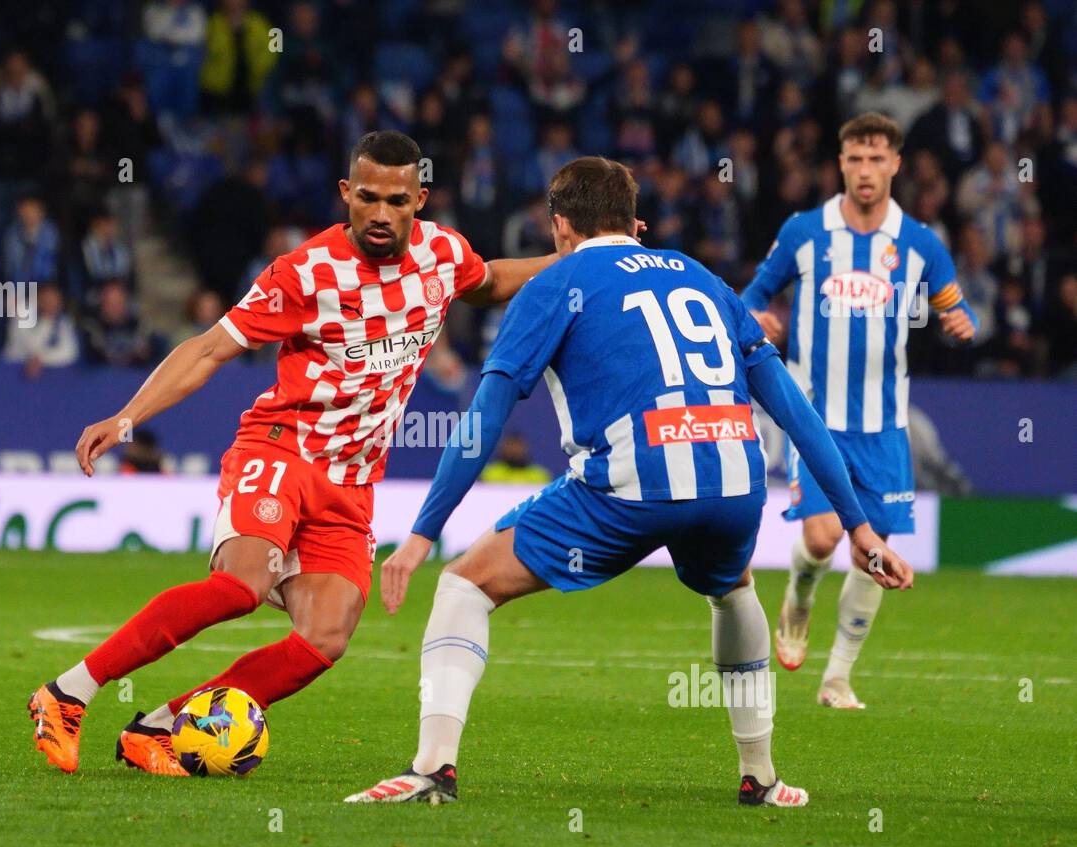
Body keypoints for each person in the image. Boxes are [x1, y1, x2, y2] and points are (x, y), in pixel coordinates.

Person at [346, 157, 912, 807]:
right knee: (733, 590)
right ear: (631, 221)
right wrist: (861, 529)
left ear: (560, 226)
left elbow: (484, 421)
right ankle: (761, 775)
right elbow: (798, 415)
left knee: (463, 585)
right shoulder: (702, 278)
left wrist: (423, 532)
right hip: (734, 485)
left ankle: (431, 772)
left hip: (628, 489)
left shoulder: (557, 283)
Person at [27, 131, 566, 775]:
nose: (380, 212)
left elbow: (495, 279)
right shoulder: (305, 272)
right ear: (346, 193)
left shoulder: (444, 257)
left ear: (419, 200)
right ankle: (68, 692)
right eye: (367, 196)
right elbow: (207, 349)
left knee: (325, 637)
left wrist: (582, 256)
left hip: (353, 481)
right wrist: (128, 415)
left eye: (397, 199)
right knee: (240, 587)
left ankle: (164, 727)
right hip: (282, 449)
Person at [740, 112, 975, 709]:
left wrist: (959, 321)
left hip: (885, 428)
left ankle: (837, 678)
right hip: (814, 417)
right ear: (840, 165)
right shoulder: (804, 232)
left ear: (896, 164)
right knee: (821, 540)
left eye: (876, 159)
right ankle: (798, 598)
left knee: (872, 556)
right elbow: (750, 298)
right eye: (854, 159)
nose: (865, 171)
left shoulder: (921, 244)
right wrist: (759, 317)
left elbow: (956, 308)